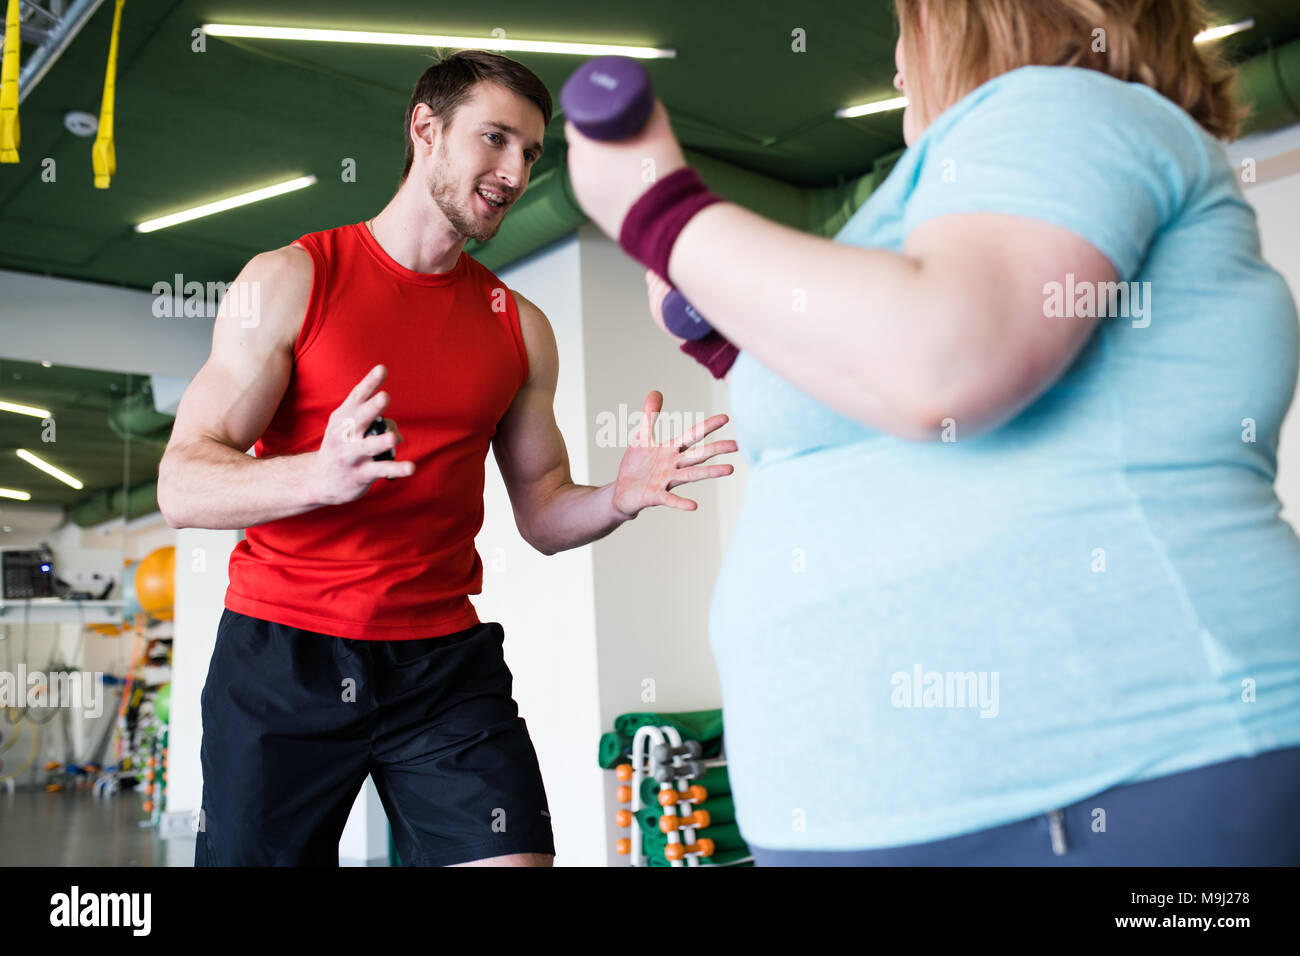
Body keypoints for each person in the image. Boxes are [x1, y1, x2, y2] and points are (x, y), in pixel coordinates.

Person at [566, 0, 1300, 864]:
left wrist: (660, 209)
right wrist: (732, 335)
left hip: (1105, 778)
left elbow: (946, 361)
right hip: (918, 813)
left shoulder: (1070, 105)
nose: (897, 65)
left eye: (906, 28)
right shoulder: (949, 196)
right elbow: (889, 374)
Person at [158, 50, 736, 867]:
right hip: (283, 655)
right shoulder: (292, 279)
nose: (514, 170)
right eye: (495, 139)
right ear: (425, 129)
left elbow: (541, 510)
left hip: (440, 664)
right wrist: (315, 477)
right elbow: (181, 483)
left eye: (532, 153)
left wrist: (616, 496)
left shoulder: (517, 327)